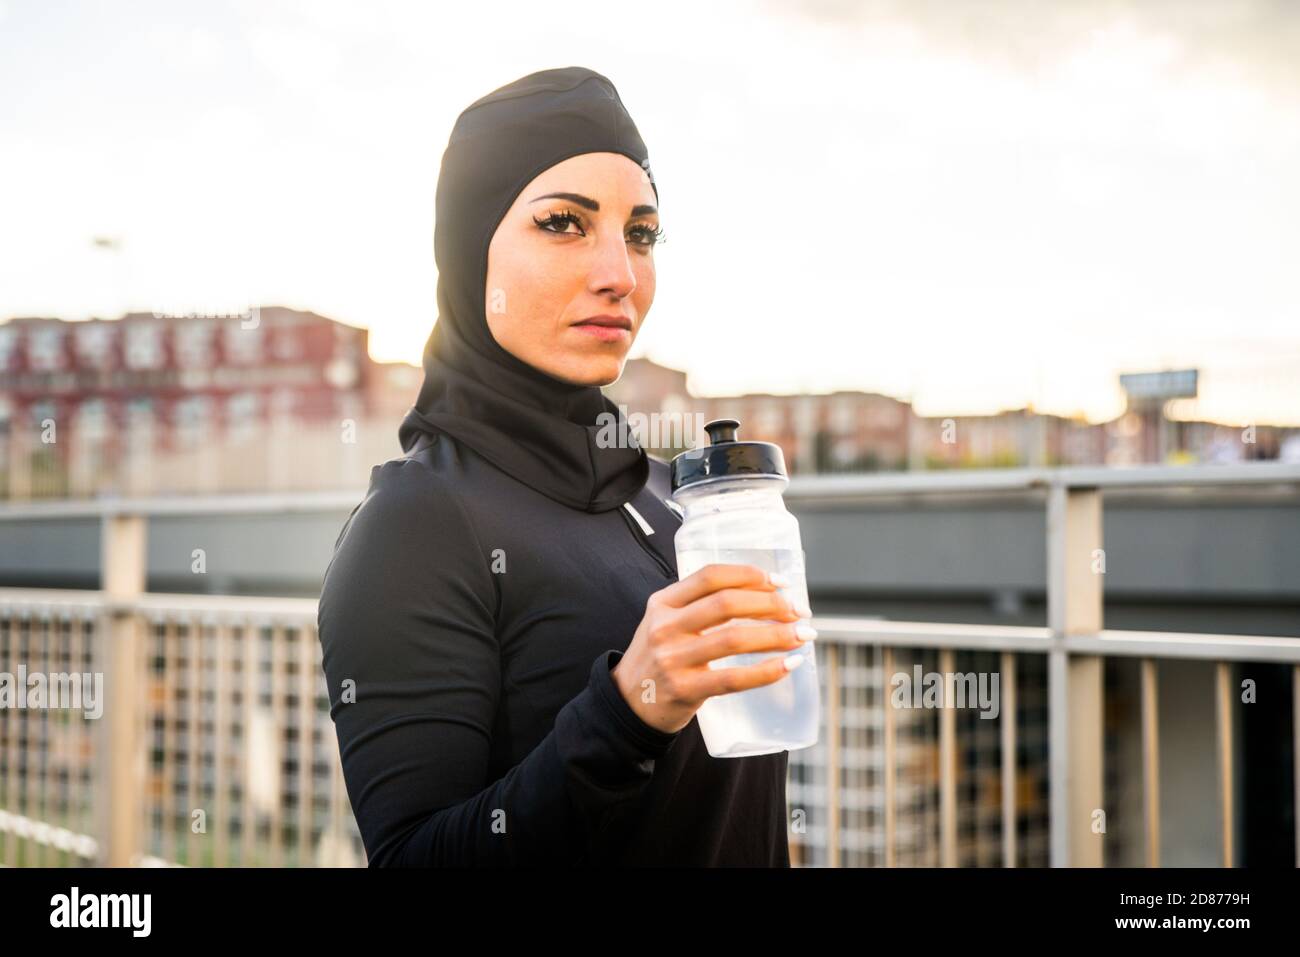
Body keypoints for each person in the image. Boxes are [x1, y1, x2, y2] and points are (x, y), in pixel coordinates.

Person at [316, 66, 815, 866]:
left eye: (641, 233)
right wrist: (628, 711)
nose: (620, 272)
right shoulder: (417, 522)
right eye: (563, 223)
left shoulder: (668, 495)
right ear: (471, 249)